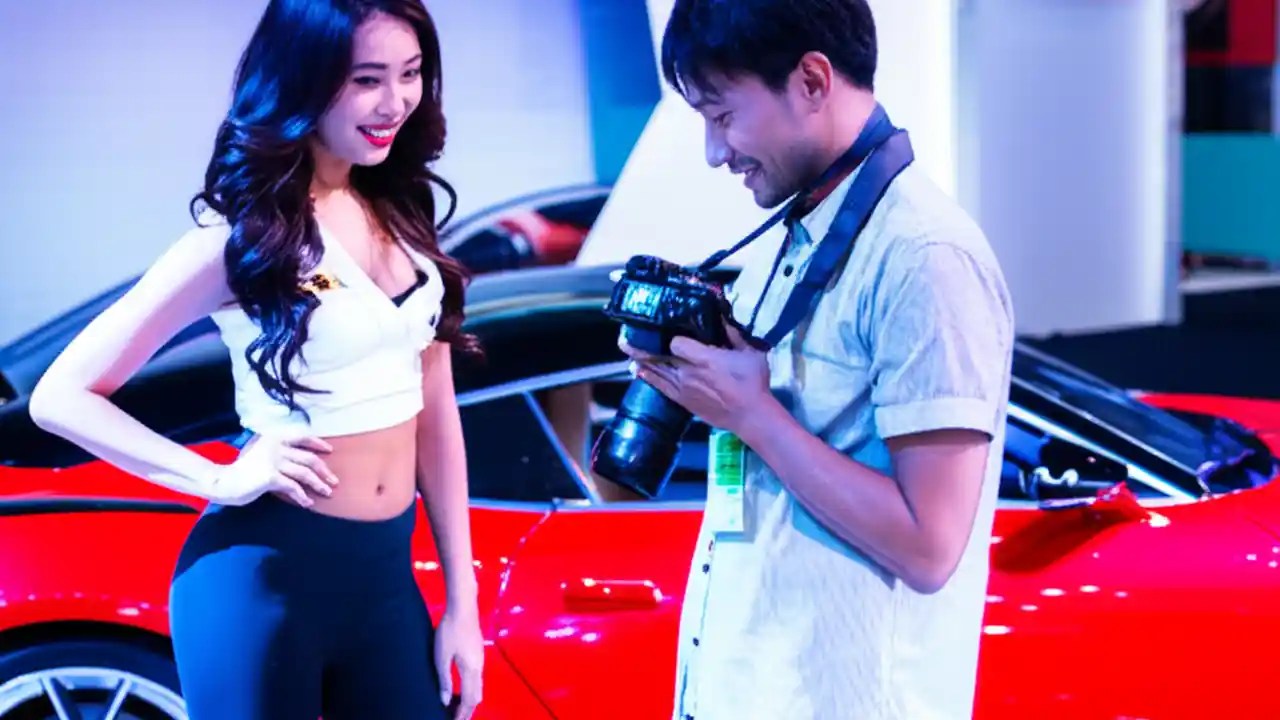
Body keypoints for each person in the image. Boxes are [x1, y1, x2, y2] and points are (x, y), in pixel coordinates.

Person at [27, 1, 484, 718]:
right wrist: (221, 476)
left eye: (411, 73)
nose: (394, 102)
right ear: (305, 78)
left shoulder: (400, 209)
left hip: (388, 584)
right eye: (367, 79)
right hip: (263, 582)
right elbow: (61, 394)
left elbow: (436, 411)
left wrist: (465, 603)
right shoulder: (240, 237)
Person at [620, 1, 1016, 718]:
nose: (716, 152)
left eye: (722, 116)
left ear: (810, 80)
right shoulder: (795, 229)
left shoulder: (927, 258)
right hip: (757, 684)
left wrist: (753, 415)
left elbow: (930, 548)